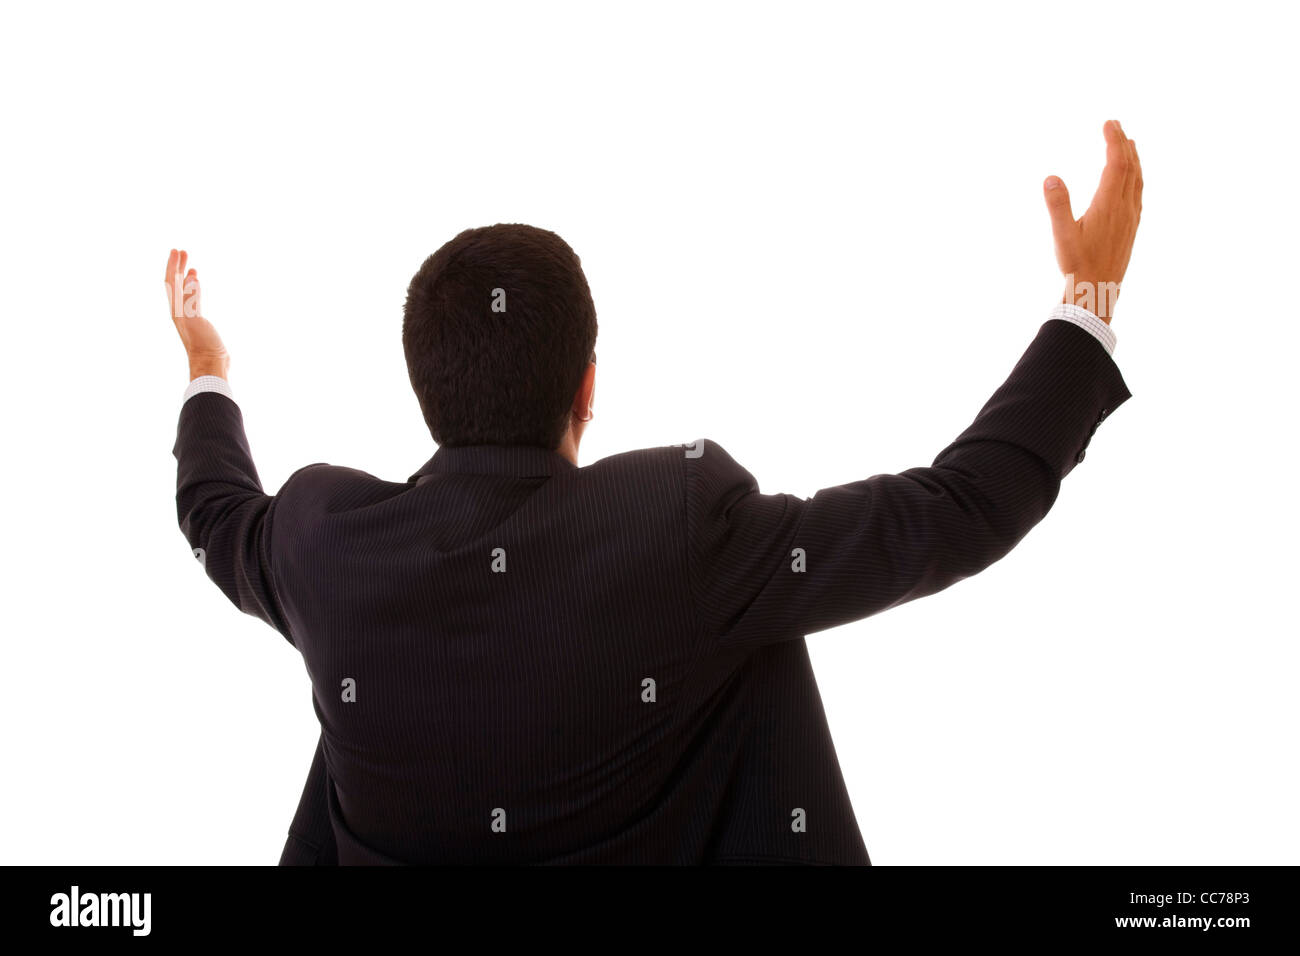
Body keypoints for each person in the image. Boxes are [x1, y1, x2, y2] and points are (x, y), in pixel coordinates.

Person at [168, 120, 1142, 864]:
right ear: (589, 384)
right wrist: (1086, 302)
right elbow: (955, 508)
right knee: (746, 634)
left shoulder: (323, 539)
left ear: (423, 388)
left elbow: (214, 511)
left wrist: (206, 366)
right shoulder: (673, 532)